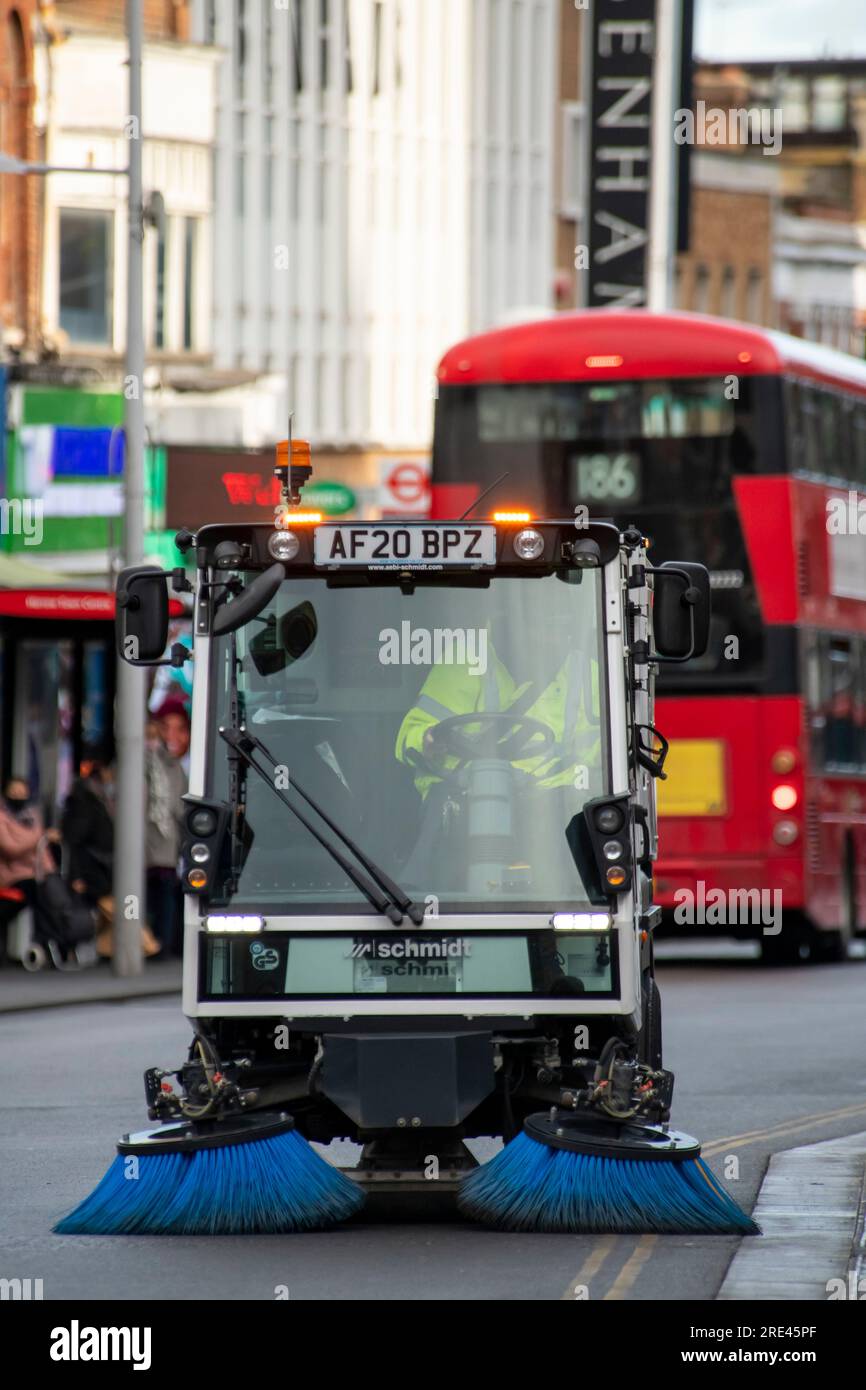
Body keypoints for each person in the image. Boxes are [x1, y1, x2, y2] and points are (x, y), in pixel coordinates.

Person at [146, 697, 189, 956]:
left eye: (179, 728)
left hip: (170, 846)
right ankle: (159, 946)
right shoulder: (152, 762)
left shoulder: (176, 765)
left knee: (166, 896)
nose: (171, 735)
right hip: (156, 845)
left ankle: (164, 945)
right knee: (159, 896)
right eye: (165, 727)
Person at [0, 777, 56, 965]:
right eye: (14, 792)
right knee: (35, 891)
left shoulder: (32, 816)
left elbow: (43, 852)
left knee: (46, 892)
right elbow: (11, 848)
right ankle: (42, 943)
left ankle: (44, 942)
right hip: (11, 877)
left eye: (22, 792)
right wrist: (39, 837)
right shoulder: (2, 817)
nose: (18, 796)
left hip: (34, 876)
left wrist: (50, 872)